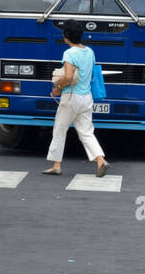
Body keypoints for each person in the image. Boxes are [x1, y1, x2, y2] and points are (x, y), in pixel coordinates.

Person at [43, 19, 110, 178]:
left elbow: (68, 76)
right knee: (86, 132)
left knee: (60, 130)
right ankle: (100, 160)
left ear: (66, 36)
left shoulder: (69, 53)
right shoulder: (90, 51)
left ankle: (56, 165)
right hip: (86, 98)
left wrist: (57, 89)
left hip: (71, 97)